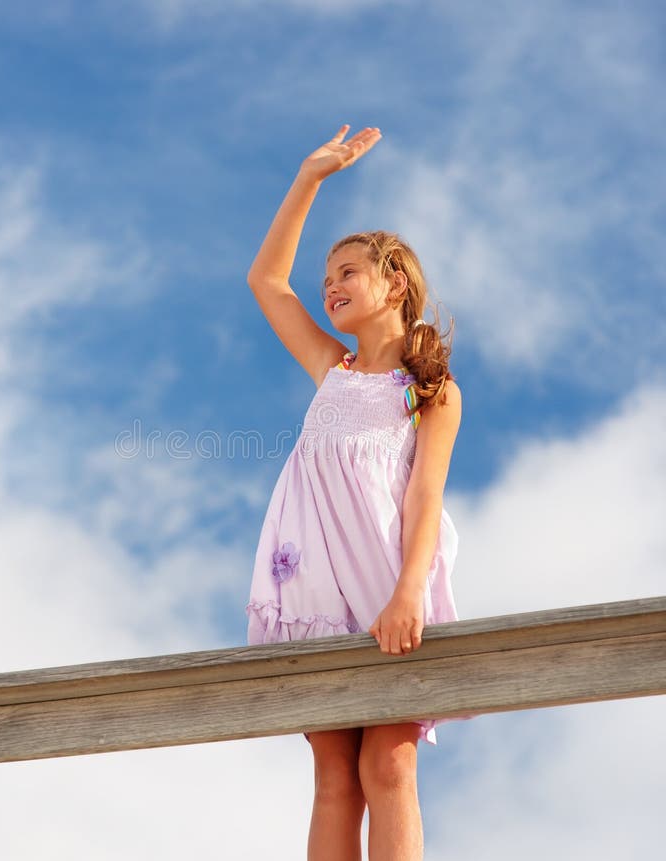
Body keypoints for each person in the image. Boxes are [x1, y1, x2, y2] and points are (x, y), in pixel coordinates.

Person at [244, 125, 461, 861]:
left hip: (388, 589)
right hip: (316, 591)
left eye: (346, 273)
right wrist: (309, 179)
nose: (329, 286)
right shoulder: (332, 369)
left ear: (394, 283)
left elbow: (423, 500)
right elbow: (266, 282)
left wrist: (409, 592)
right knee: (335, 775)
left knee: (388, 764)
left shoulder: (429, 390)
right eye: (327, 277)